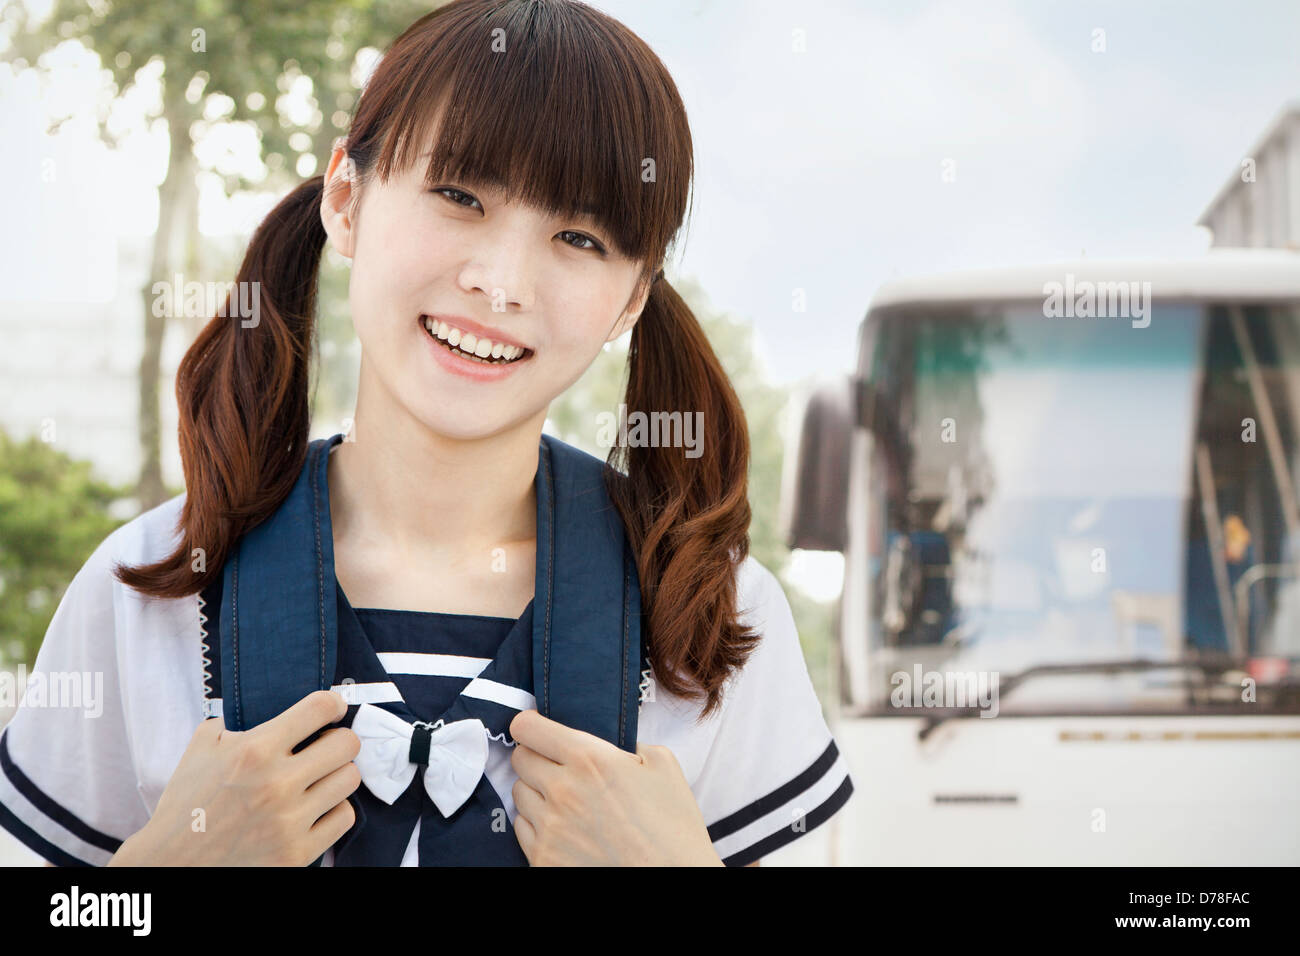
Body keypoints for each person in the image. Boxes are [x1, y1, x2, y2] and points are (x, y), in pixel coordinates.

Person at [0, 0, 854, 867]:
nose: (500, 283)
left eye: (578, 236)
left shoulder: (712, 622)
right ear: (346, 198)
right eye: (458, 196)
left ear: (631, 297)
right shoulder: (153, 592)